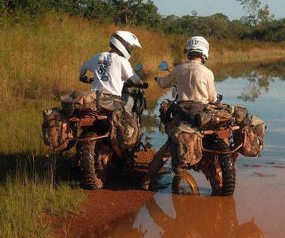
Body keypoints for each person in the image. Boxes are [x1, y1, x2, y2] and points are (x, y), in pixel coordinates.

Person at [141, 36, 218, 190]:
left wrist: (157, 78)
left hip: (182, 112)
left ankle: (146, 182)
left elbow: (164, 83)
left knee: (168, 146)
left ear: (188, 51)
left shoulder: (179, 69)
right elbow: (212, 97)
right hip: (200, 114)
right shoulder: (207, 72)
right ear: (204, 53)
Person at [79, 30, 143, 111]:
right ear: (124, 44)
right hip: (113, 101)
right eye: (130, 47)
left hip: (94, 99)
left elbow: (83, 68)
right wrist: (140, 82)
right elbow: (135, 79)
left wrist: (82, 77)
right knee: (130, 100)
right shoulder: (122, 61)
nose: (130, 49)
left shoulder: (98, 56)